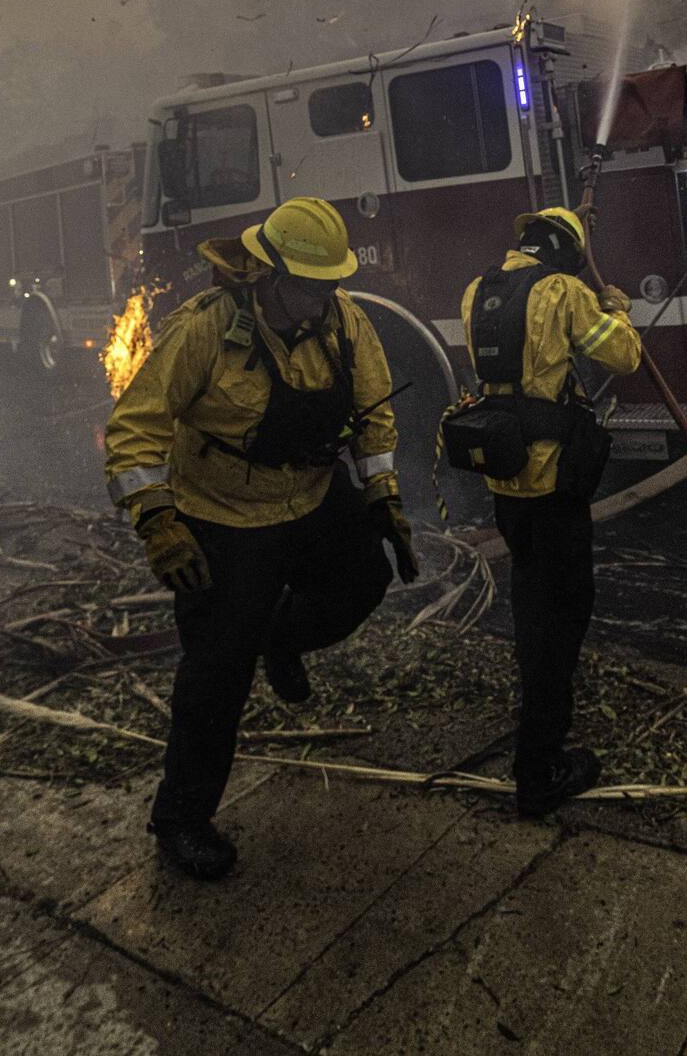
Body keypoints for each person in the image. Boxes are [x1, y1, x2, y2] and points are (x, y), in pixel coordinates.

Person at [104, 196, 417, 881]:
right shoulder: (206, 329)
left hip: (306, 495)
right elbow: (133, 432)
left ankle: (284, 638)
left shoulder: (345, 324)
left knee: (364, 580)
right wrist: (159, 523)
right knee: (217, 673)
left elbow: (374, 420)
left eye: (330, 285)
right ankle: (181, 819)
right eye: (309, 287)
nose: (321, 301)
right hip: (224, 514)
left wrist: (382, 498)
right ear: (267, 274)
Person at [459, 206, 641, 818]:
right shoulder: (564, 291)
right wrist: (615, 308)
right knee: (563, 616)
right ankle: (540, 768)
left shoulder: (476, 290)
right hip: (555, 482)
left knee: (531, 602)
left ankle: (537, 733)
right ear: (565, 252)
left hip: (507, 481)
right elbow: (623, 357)